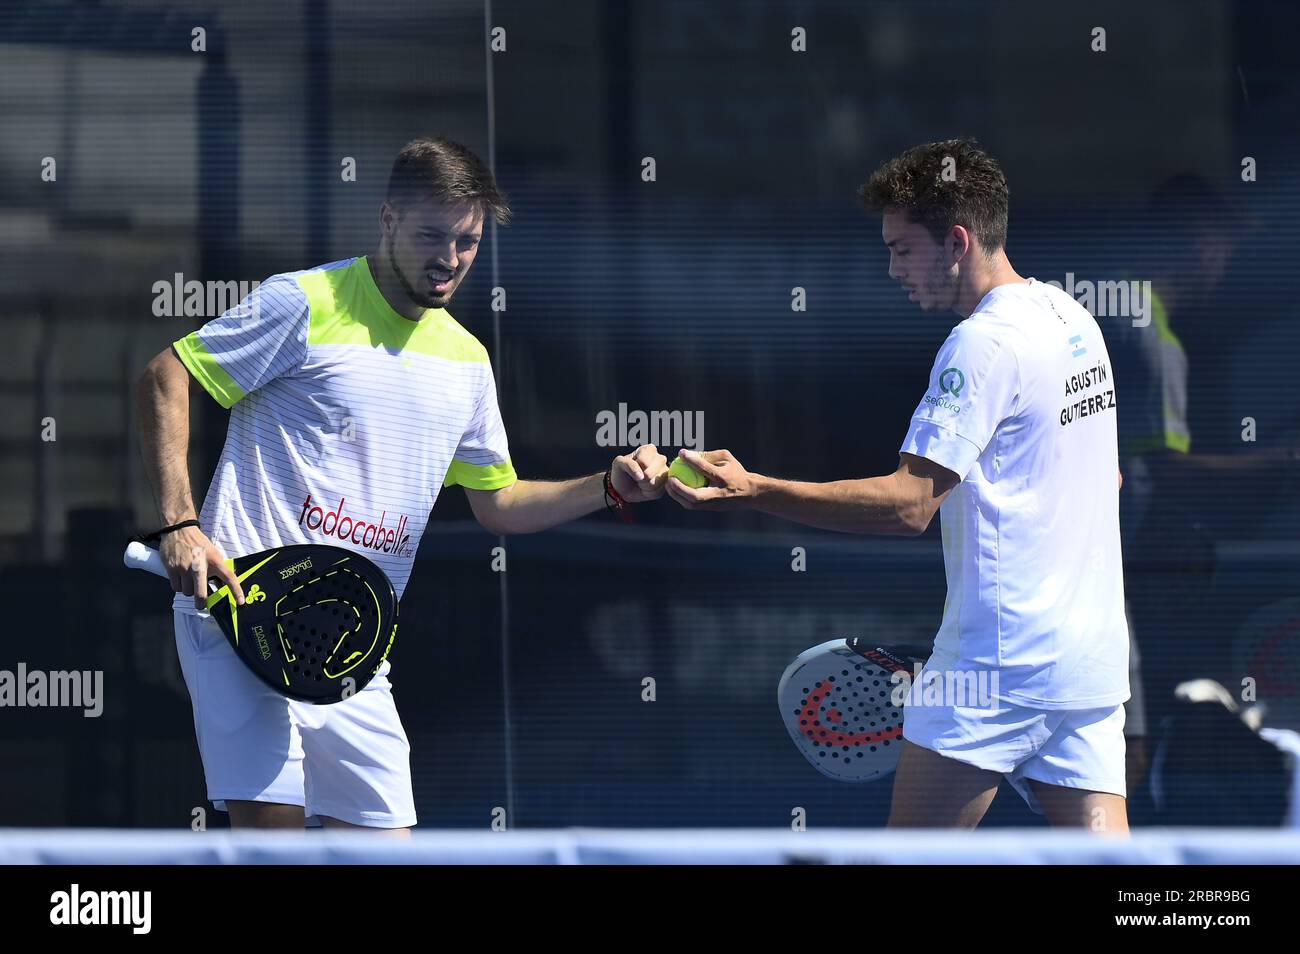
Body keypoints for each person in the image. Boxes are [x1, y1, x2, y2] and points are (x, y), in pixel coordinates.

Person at [135, 136, 668, 833]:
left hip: (349, 645)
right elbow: (166, 376)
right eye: (431, 236)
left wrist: (609, 486)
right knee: (273, 844)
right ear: (388, 219)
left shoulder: (468, 362)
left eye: (468, 241)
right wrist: (180, 525)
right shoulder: (302, 303)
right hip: (239, 613)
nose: (450, 258)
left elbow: (501, 505)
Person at [666, 139, 1131, 832]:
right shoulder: (1074, 319)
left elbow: (909, 506)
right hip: (1088, 667)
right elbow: (1105, 477)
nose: (892, 270)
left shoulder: (982, 344)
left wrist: (756, 489)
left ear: (957, 242)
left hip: (993, 671)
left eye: (902, 249)